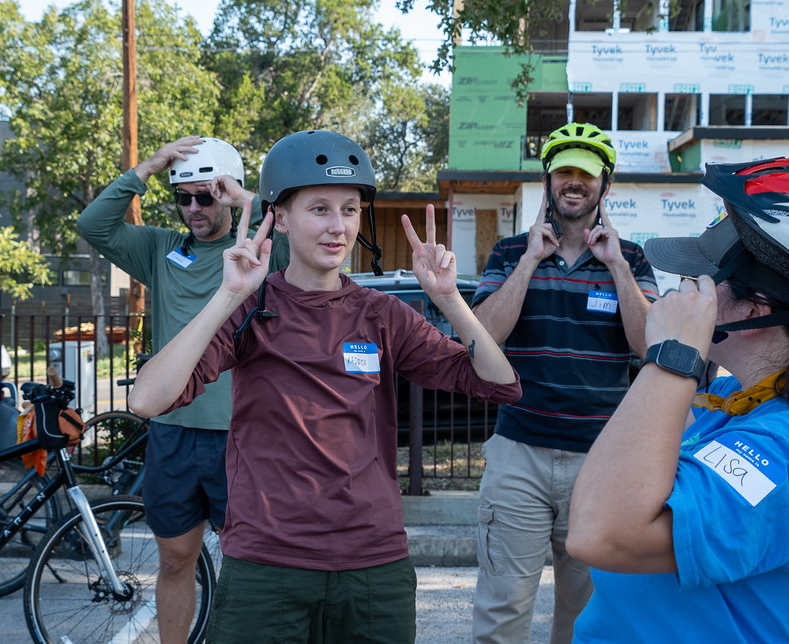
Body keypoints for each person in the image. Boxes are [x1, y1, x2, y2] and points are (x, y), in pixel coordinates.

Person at [126, 129, 524, 643]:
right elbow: (147, 399)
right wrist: (227, 296)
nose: (339, 227)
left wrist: (450, 300)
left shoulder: (382, 315)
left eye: (351, 209)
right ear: (281, 218)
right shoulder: (252, 307)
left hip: (373, 567)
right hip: (266, 567)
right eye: (320, 209)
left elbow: (500, 384)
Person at [567, 157, 789, 643]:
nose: (682, 288)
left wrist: (673, 356)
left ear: (756, 309)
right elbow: (623, 479)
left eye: (702, 278)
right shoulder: (732, 398)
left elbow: (599, 531)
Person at [77, 136, 286, 642]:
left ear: (227, 191)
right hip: (172, 432)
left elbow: (294, 228)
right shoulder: (161, 251)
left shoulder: (262, 253)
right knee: (174, 560)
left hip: (239, 435)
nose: (193, 208)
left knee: (249, 564)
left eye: (205, 197)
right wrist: (146, 168)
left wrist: (244, 200)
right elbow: (92, 225)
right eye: (183, 198)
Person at [471, 122, 657, 643]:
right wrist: (531, 259)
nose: (573, 182)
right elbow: (483, 336)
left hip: (603, 462)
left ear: (605, 185)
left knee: (587, 619)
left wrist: (617, 265)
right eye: (563, 172)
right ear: (549, 181)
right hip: (518, 457)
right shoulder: (510, 253)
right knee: (501, 612)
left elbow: (648, 347)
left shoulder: (634, 259)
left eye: (586, 173)